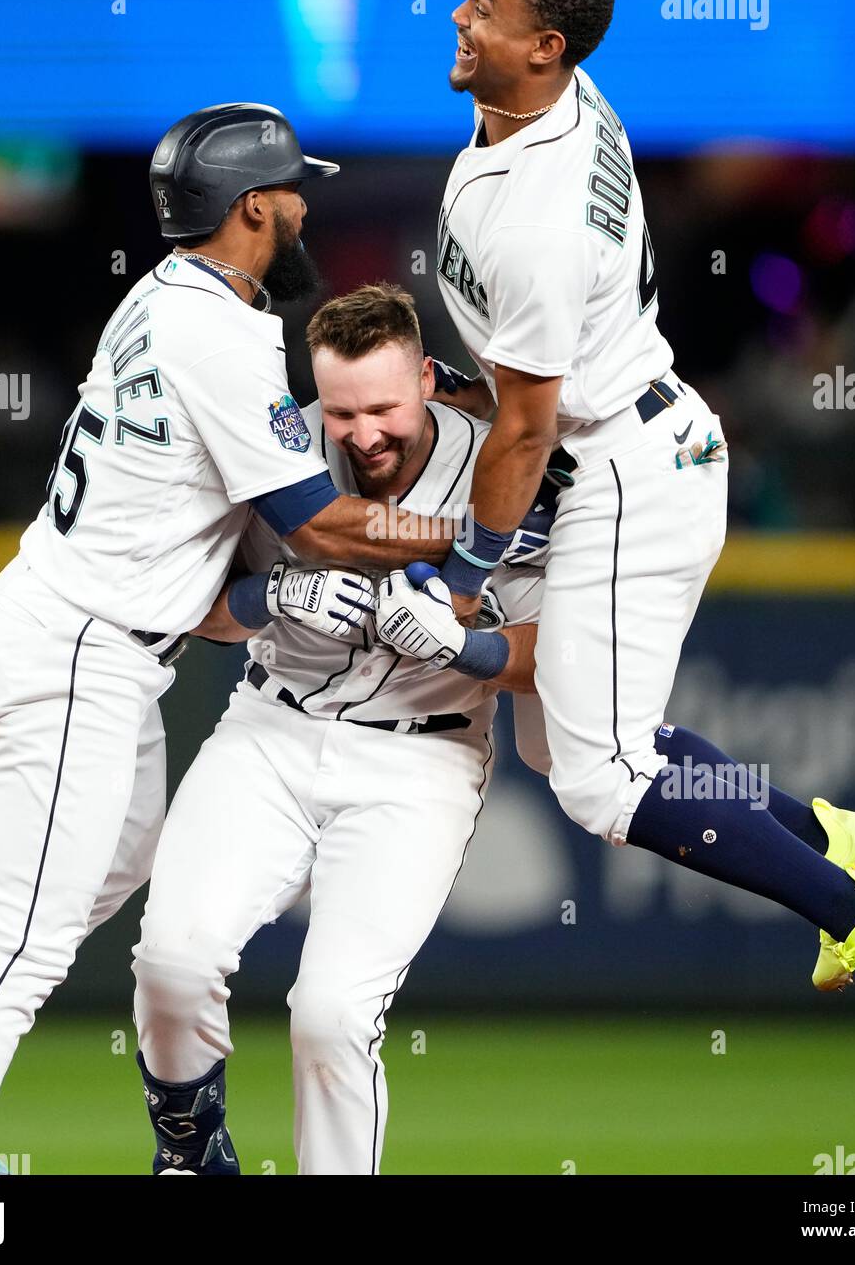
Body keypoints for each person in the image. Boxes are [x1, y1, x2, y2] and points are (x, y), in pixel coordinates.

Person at [0, 105, 459, 1176]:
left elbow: (214, 579)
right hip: (76, 651)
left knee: (120, 859)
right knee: (30, 930)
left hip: (99, 635)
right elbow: (319, 527)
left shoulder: (160, 299)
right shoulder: (221, 334)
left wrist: (277, 598)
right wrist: (467, 532)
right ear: (251, 208)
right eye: (291, 193)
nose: (301, 209)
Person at [427, 0, 855, 1088]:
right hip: (622, 433)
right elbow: (524, 395)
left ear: (545, 47)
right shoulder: (556, 102)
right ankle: (835, 839)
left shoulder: (537, 212)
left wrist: (461, 570)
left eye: (484, 6)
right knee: (554, 729)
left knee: (599, 777)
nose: (459, 18)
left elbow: (524, 427)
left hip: (623, 469)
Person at [130, 283, 544, 1175]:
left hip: (419, 755)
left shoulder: (500, 469)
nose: (362, 434)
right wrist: (271, 594)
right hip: (269, 728)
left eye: (385, 408)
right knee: (170, 961)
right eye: (342, 409)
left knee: (331, 1014)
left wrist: (466, 649)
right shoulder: (279, 454)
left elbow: (559, 655)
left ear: (429, 380)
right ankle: (192, 1156)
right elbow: (193, 608)